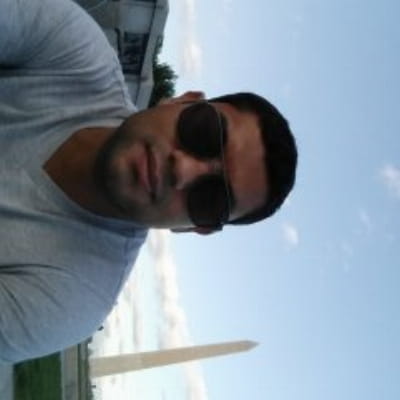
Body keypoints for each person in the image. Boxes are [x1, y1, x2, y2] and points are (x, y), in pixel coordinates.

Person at [0, 0, 297, 363]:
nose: (183, 170)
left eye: (210, 200)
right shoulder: (74, 51)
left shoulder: (71, 298)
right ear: (181, 101)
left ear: (193, 227)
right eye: (203, 131)